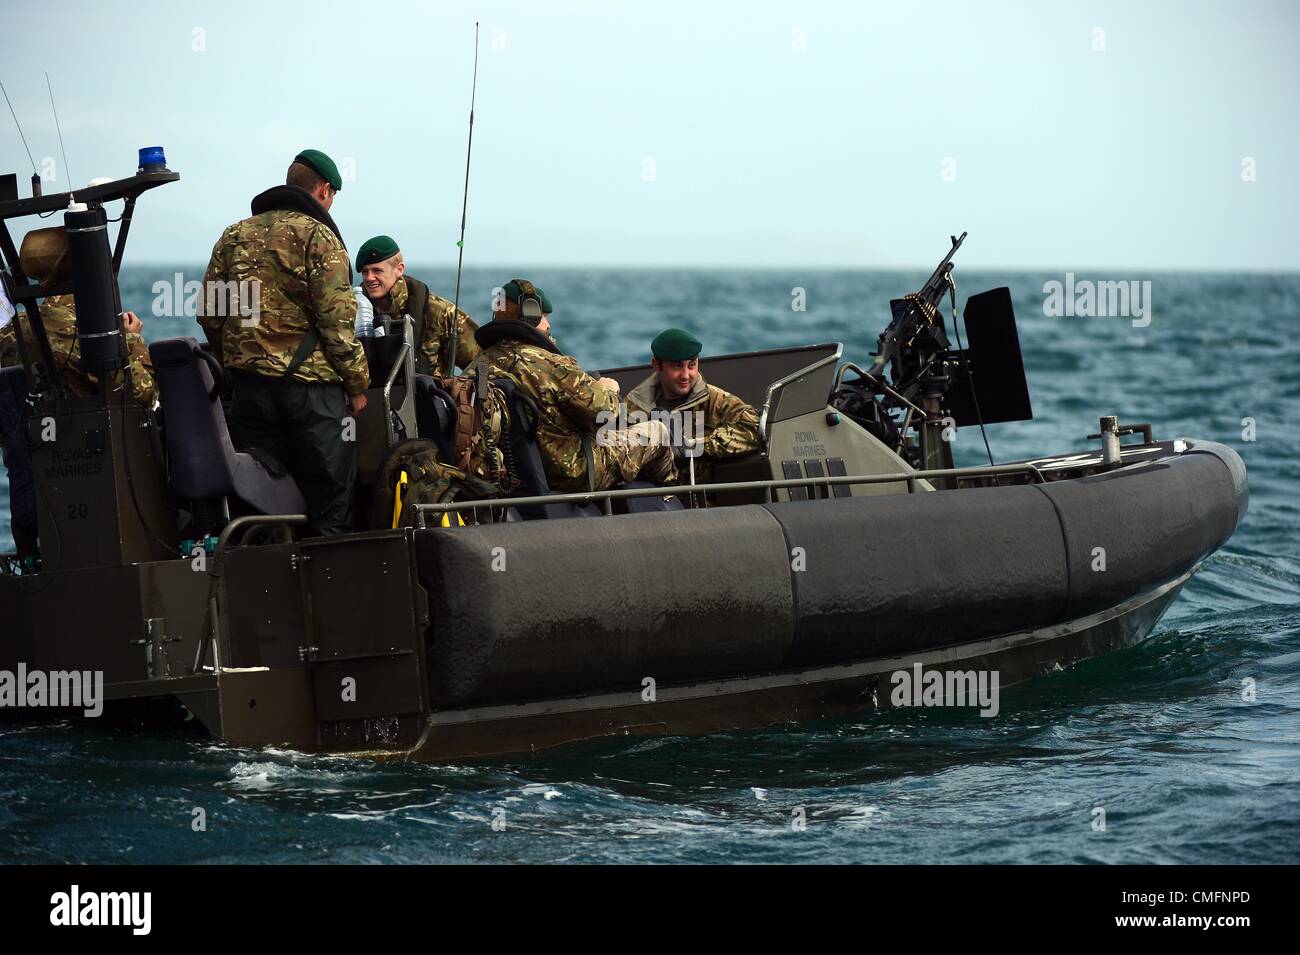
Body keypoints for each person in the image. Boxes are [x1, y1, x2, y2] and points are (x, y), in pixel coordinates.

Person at [197, 149, 369, 535]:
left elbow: (209, 315)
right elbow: (338, 324)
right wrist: (357, 386)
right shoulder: (319, 237)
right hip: (314, 397)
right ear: (324, 190)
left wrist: (238, 361)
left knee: (263, 502)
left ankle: (267, 582)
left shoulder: (233, 236)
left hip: (250, 394)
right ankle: (327, 585)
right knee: (331, 500)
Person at [470, 278, 676, 493]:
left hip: (515, 477)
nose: (548, 325)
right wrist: (608, 389)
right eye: (544, 317)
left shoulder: (477, 366)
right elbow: (606, 414)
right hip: (570, 474)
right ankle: (672, 502)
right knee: (657, 431)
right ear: (529, 315)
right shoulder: (552, 366)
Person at [0, 226, 157, 406]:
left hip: (28, 431)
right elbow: (145, 394)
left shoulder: (11, 331)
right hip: (89, 431)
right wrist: (131, 339)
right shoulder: (85, 333)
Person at [624, 328, 761, 474]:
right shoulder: (634, 406)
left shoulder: (715, 400)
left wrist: (693, 447)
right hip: (651, 492)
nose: (685, 375)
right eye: (677, 366)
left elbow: (754, 427)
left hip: (701, 493)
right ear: (657, 365)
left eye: (691, 365)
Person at [354, 235, 478, 374]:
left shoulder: (438, 311)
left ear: (399, 269)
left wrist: (456, 389)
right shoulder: (354, 313)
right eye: (365, 272)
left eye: (377, 270)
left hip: (427, 393)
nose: (369, 278)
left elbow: (481, 361)